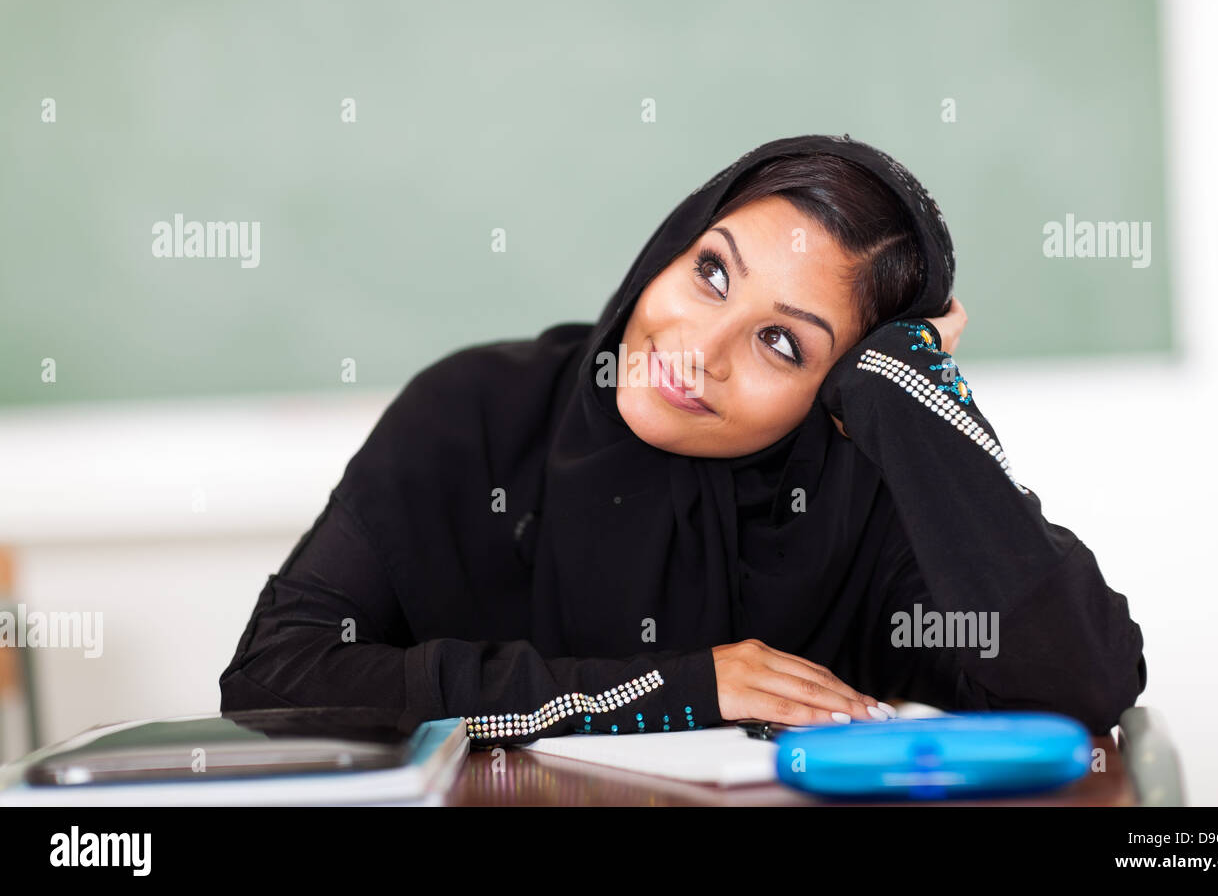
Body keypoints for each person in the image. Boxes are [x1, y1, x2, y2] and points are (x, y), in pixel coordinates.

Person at [219, 133, 1146, 744]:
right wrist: (678, 687)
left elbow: (1081, 684)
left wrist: (912, 400)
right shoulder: (476, 411)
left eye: (783, 343)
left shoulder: (852, 501)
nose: (695, 353)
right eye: (710, 274)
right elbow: (275, 679)